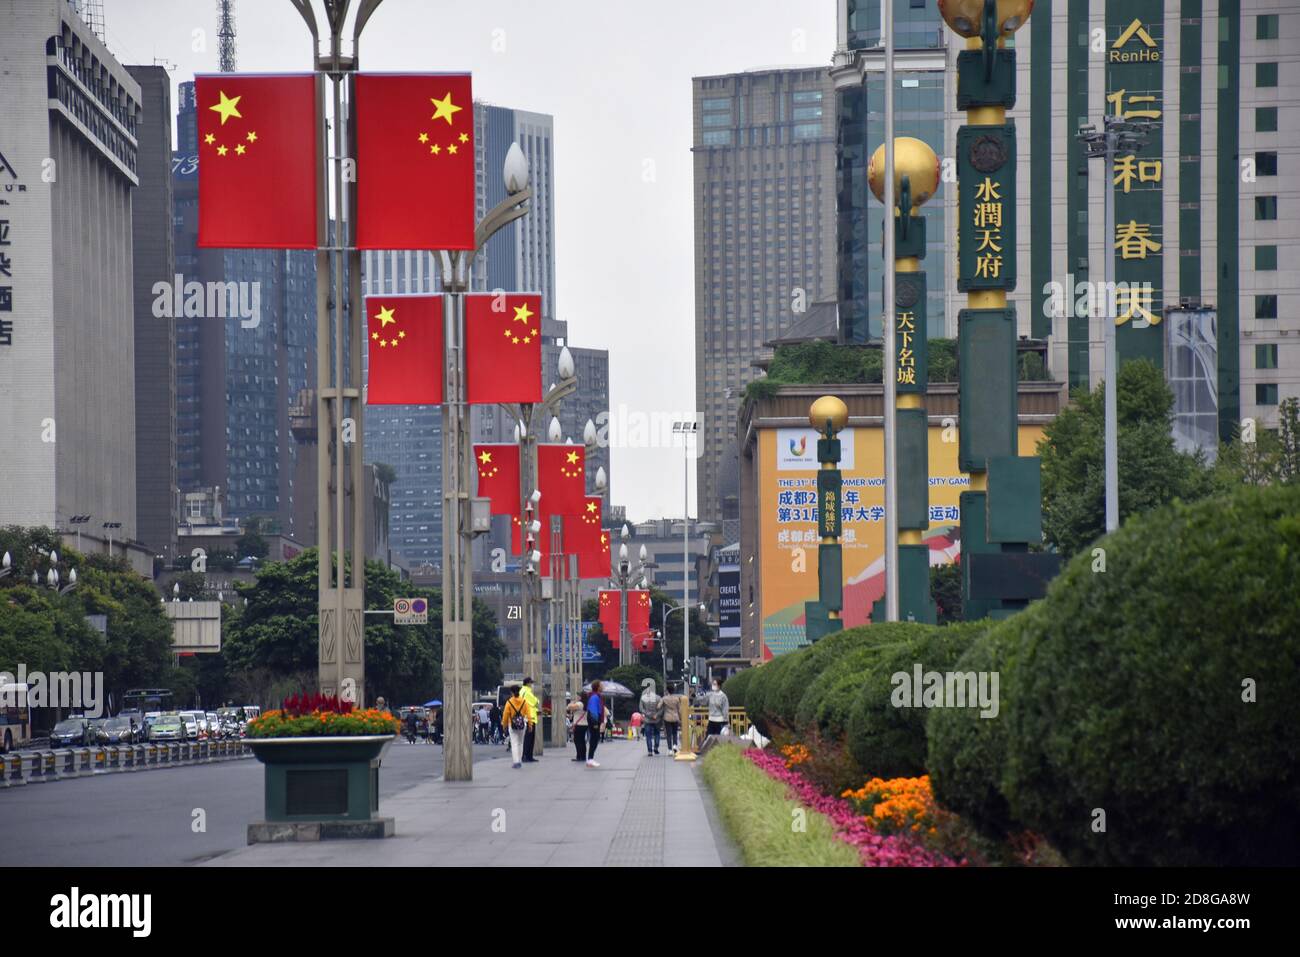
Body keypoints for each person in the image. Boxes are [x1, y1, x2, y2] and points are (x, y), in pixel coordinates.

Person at [501, 685, 533, 769]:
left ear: (511, 692)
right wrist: (530, 725)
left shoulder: (509, 702)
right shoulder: (524, 702)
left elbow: (505, 715)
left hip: (512, 725)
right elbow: (529, 714)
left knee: (514, 743)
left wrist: (504, 725)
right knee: (520, 743)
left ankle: (516, 762)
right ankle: (520, 760)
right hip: (522, 725)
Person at [639, 683, 665, 756]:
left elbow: (641, 709)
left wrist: (648, 714)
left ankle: (650, 751)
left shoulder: (643, 698)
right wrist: (656, 715)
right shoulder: (659, 698)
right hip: (656, 720)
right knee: (657, 734)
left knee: (648, 736)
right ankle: (656, 747)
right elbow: (662, 709)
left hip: (647, 720)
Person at [520, 677, 541, 762]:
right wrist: (536, 701)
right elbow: (536, 702)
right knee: (529, 738)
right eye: (531, 683)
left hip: (527, 716)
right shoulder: (527, 692)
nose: (532, 685)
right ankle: (526, 756)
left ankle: (528, 756)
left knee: (529, 737)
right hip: (530, 717)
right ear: (528, 683)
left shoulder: (522, 691)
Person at [585, 681, 605, 768]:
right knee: (594, 739)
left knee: (595, 738)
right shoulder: (595, 697)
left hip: (594, 720)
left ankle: (590, 759)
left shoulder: (596, 696)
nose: (603, 686)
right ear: (597, 687)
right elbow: (593, 710)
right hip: (594, 720)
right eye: (601, 685)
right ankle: (590, 759)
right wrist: (595, 722)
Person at [567, 691, 588, 762]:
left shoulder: (580, 703)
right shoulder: (586, 704)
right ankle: (583, 756)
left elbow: (570, 707)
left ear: (581, 697)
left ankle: (579, 756)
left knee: (577, 740)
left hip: (579, 725)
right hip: (585, 724)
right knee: (582, 741)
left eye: (578, 695)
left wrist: (571, 703)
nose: (577, 697)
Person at [661, 683, 682, 753]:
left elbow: (658, 706)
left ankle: (670, 749)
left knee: (669, 734)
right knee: (675, 733)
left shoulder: (664, 698)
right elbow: (679, 709)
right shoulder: (677, 699)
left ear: (667, 691)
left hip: (667, 717)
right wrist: (680, 718)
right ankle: (675, 745)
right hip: (675, 717)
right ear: (673, 690)